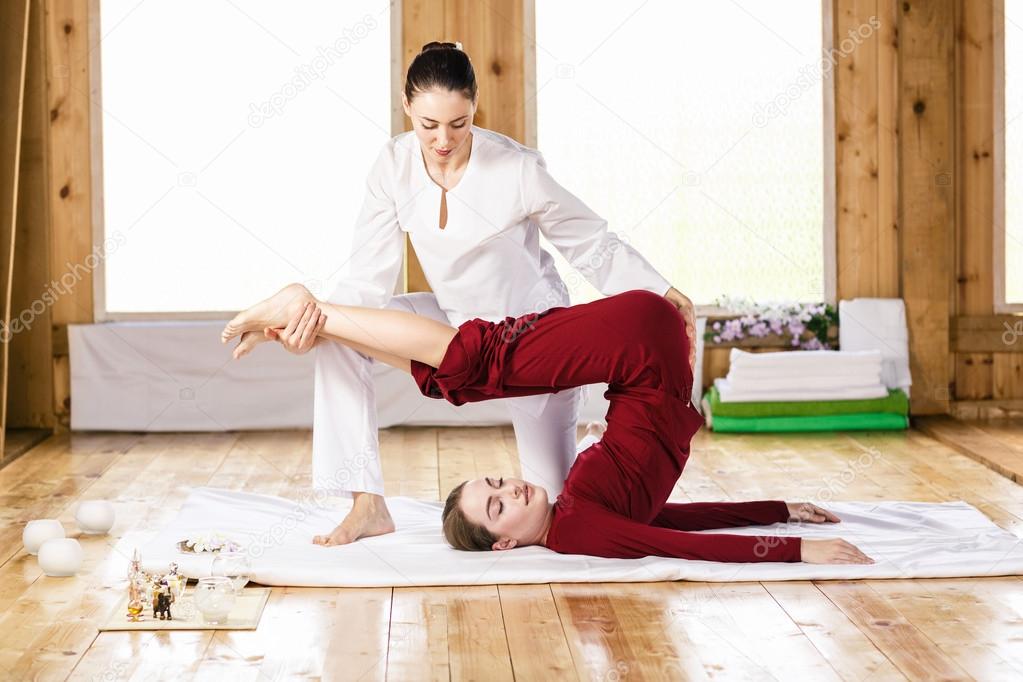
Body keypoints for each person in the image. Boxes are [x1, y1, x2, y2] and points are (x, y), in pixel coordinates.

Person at [226, 41, 698, 547]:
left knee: (556, 516)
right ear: (407, 107)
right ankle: (367, 503)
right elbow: (367, 279)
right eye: (428, 126)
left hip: (531, 341)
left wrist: (663, 291)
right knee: (341, 336)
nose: (443, 140)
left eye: (459, 123)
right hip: (452, 327)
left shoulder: (516, 169)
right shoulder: (392, 166)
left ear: (474, 108)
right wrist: (317, 327)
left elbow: (589, 242)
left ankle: (305, 307)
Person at [222, 284, 875, 564]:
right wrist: (784, 522)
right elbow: (675, 535)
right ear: (504, 544)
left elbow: (663, 534)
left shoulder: (575, 521)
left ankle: (317, 313)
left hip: (642, 346)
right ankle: (319, 318)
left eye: (496, 484)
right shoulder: (581, 530)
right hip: (643, 346)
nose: (515, 489)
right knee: (468, 371)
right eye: (500, 505)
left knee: (478, 363)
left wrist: (785, 533)